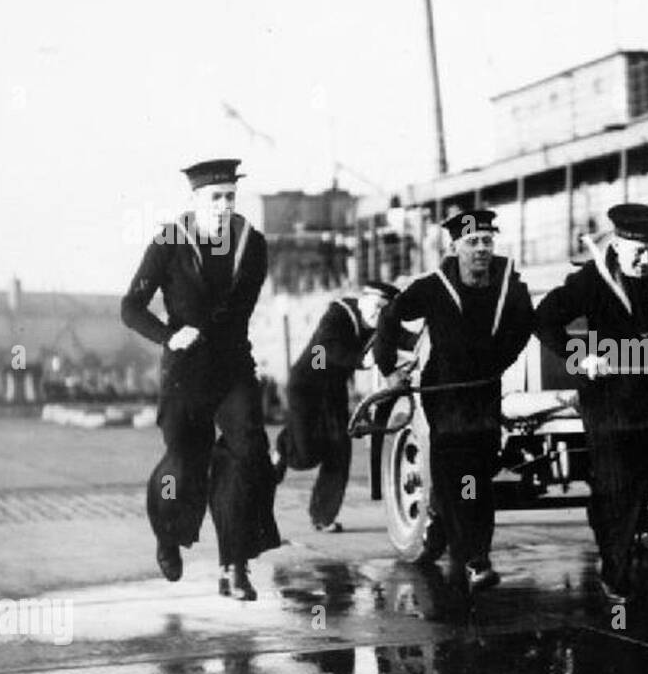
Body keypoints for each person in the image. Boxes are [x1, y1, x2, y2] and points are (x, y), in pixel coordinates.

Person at [120, 158, 280, 599]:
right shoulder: (169, 241)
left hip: (231, 368)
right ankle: (168, 536)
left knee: (248, 455)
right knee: (185, 464)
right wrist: (170, 336)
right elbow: (131, 307)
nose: (225, 206)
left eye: (231, 197)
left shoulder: (253, 244)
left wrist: (209, 334)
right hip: (185, 372)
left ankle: (236, 564)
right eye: (216, 198)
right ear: (194, 201)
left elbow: (237, 309)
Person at [534, 202, 648, 601]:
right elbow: (544, 319)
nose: (646, 259)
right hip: (608, 399)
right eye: (637, 252)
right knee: (615, 485)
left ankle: (619, 546)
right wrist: (580, 355)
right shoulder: (591, 279)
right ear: (617, 246)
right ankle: (615, 572)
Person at [373, 209, 533, 593]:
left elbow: (524, 325)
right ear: (456, 246)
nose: (481, 249)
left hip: (484, 395)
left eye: (487, 241)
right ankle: (475, 559)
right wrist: (388, 367)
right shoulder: (432, 287)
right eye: (473, 242)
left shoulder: (509, 286)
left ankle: (449, 526)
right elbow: (390, 317)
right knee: (463, 474)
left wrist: (499, 359)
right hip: (443, 398)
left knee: (475, 475)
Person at [273, 280, 400, 532]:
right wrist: (360, 361)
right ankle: (282, 448)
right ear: (364, 300)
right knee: (305, 456)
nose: (377, 314)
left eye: (384, 310)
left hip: (333, 392)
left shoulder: (380, 326)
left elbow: (399, 342)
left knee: (339, 451)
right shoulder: (338, 314)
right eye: (375, 306)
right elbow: (326, 349)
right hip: (307, 387)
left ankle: (323, 517)